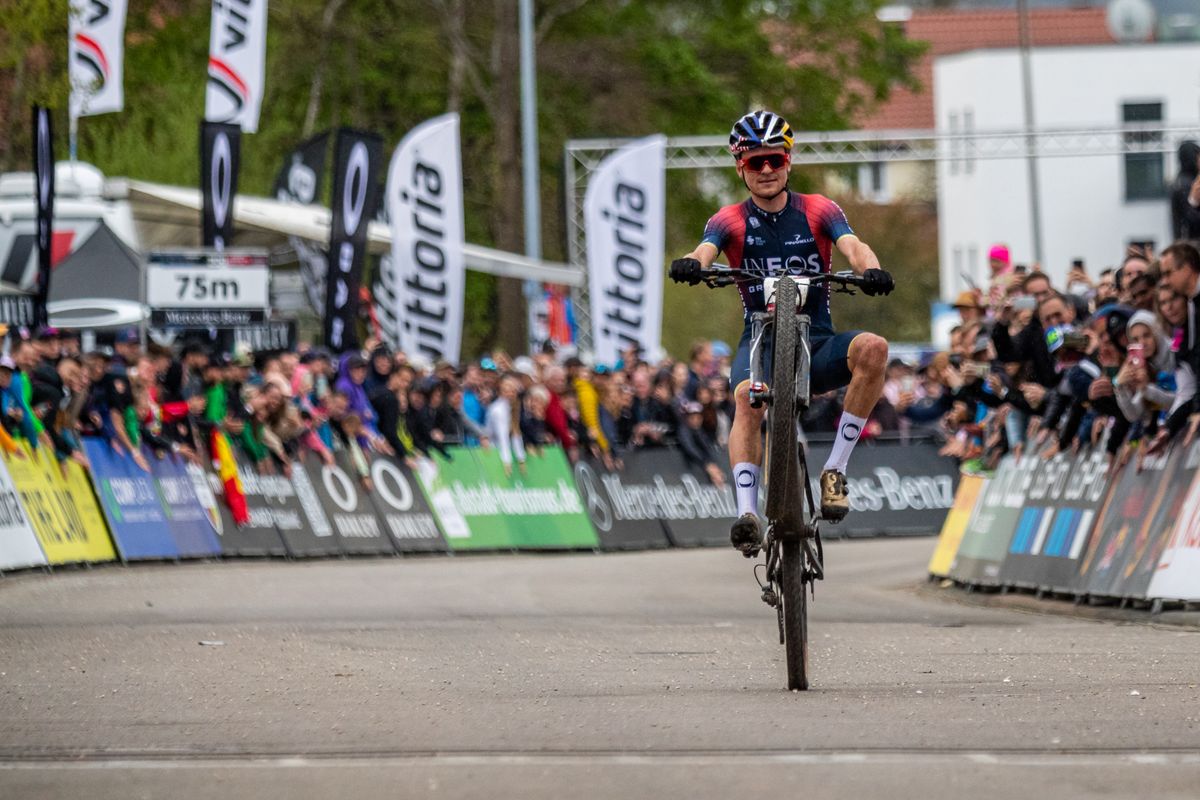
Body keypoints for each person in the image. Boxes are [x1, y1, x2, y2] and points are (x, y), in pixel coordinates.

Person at [669, 109, 894, 555]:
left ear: (788, 161)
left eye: (775, 159)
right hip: (760, 342)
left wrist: (871, 269)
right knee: (744, 400)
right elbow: (707, 248)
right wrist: (694, 263)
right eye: (756, 162)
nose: (767, 169)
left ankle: (835, 471)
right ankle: (747, 515)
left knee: (875, 348)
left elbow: (853, 245)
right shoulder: (729, 219)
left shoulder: (818, 209)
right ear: (741, 168)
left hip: (819, 338)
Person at [1170, 140, 1200, 241]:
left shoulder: (1180, 181)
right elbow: (1190, 218)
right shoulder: (1187, 183)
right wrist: (1193, 202)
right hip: (1192, 241)